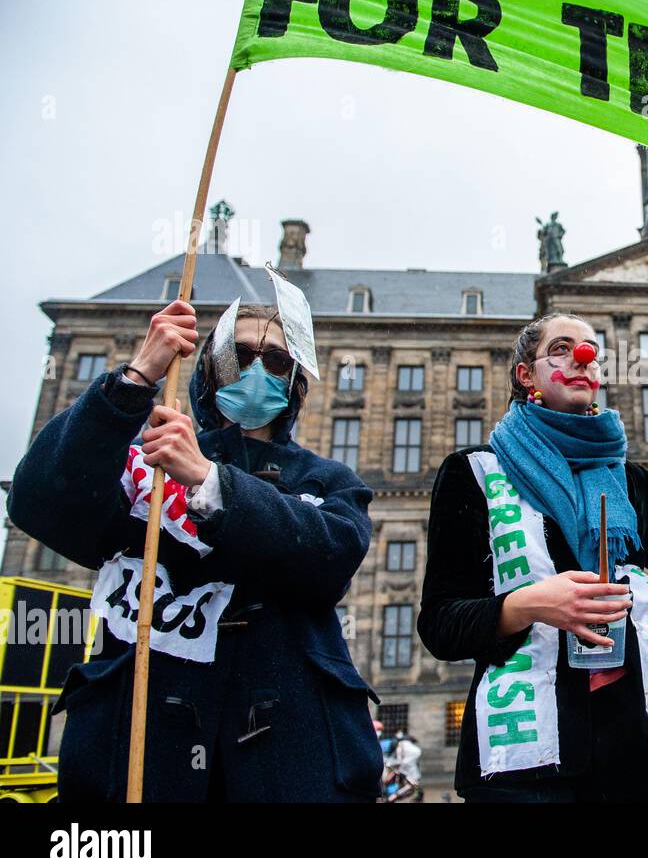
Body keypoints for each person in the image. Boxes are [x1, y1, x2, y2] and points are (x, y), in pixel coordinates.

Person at [6, 298, 382, 802]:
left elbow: (330, 560)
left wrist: (210, 481)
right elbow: (39, 502)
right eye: (240, 353)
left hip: (290, 763)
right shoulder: (142, 468)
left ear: (294, 381)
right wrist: (135, 380)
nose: (257, 367)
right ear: (208, 366)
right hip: (138, 754)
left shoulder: (328, 481)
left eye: (276, 359)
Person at [419, 313, 648, 802]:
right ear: (526, 374)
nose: (583, 357)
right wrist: (528, 605)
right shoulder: (473, 474)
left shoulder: (634, 483)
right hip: (525, 762)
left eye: (591, 351)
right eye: (561, 348)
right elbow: (440, 625)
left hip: (638, 757)